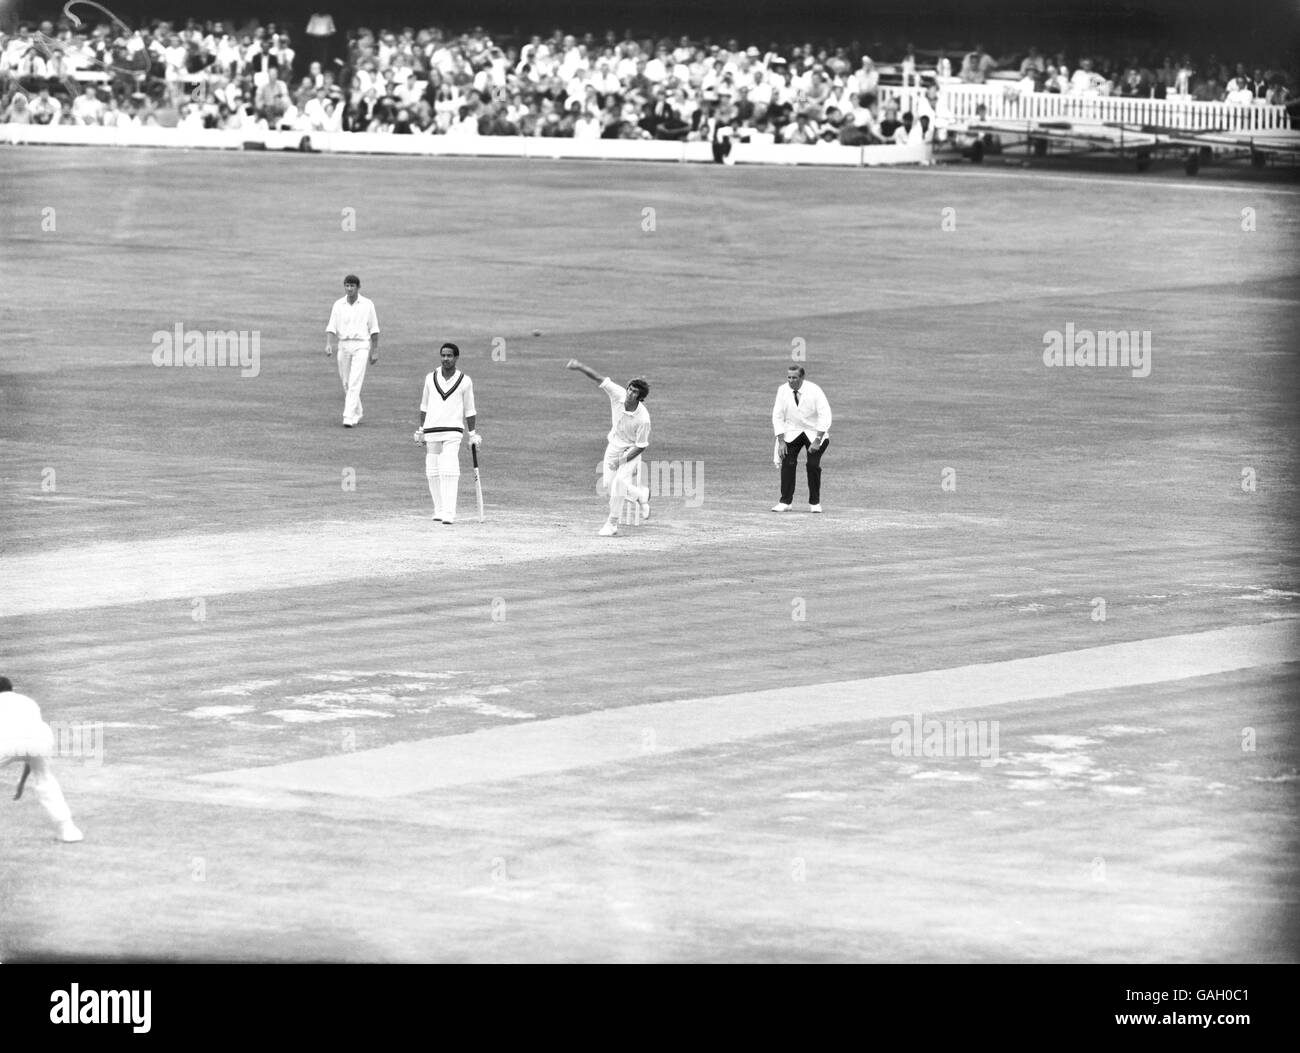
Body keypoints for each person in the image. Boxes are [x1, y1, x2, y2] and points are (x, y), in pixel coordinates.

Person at [565, 358, 650, 536]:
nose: (630, 393)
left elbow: (641, 446)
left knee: (619, 485)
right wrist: (579, 366)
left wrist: (622, 460)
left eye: (634, 392)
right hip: (613, 446)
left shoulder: (643, 419)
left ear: (640, 398)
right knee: (609, 486)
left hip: (631, 451)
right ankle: (639, 495)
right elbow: (598, 378)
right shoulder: (618, 394)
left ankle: (612, 524)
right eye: (630, 389)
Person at [0, 677, 84, 843]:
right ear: (12, 688)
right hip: (41, 740)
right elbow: (29, 746)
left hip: (8, 741)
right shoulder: (28, 702)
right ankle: (68, 831)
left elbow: (16, 740)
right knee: (45, 780)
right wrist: (22, 781)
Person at [414, 342, 479, 524]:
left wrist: (472, 434)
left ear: (456, 358)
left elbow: (470, 410)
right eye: (443, 355)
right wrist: (421, 430)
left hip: (453, 430)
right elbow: (424, 406)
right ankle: (439, 509)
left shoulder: (465, 381)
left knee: (449, 467)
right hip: (432, 429)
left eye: (449, 356)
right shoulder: (430, 378)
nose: (446, 359)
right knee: (432, 469)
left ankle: (449, 512)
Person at [772, 364, 831, 512]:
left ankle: (815, 503)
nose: (791, 381)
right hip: (792, 431)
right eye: (789, 377)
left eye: (794, 377)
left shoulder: (815, 390)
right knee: (788, 462)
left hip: (814, 432)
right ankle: (785, 502)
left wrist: (818, 440)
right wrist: (780, 441)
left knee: (812, 465)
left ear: (802, 378)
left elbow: (825, 415)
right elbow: (777, 416)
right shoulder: (782, 390)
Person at [324, 274, 380, 427]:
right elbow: (331, 326)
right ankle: (358, 411)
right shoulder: (338, 304)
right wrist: (329, 344)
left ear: (358, 287)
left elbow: (374, 329)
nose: (349, 289)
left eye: (352, 286)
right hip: (343, 345)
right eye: (347, 286)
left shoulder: (367, 304)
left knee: (355, 381)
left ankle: (348, 416)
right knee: (346, 382)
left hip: (361, 345)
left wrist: (375, 350)